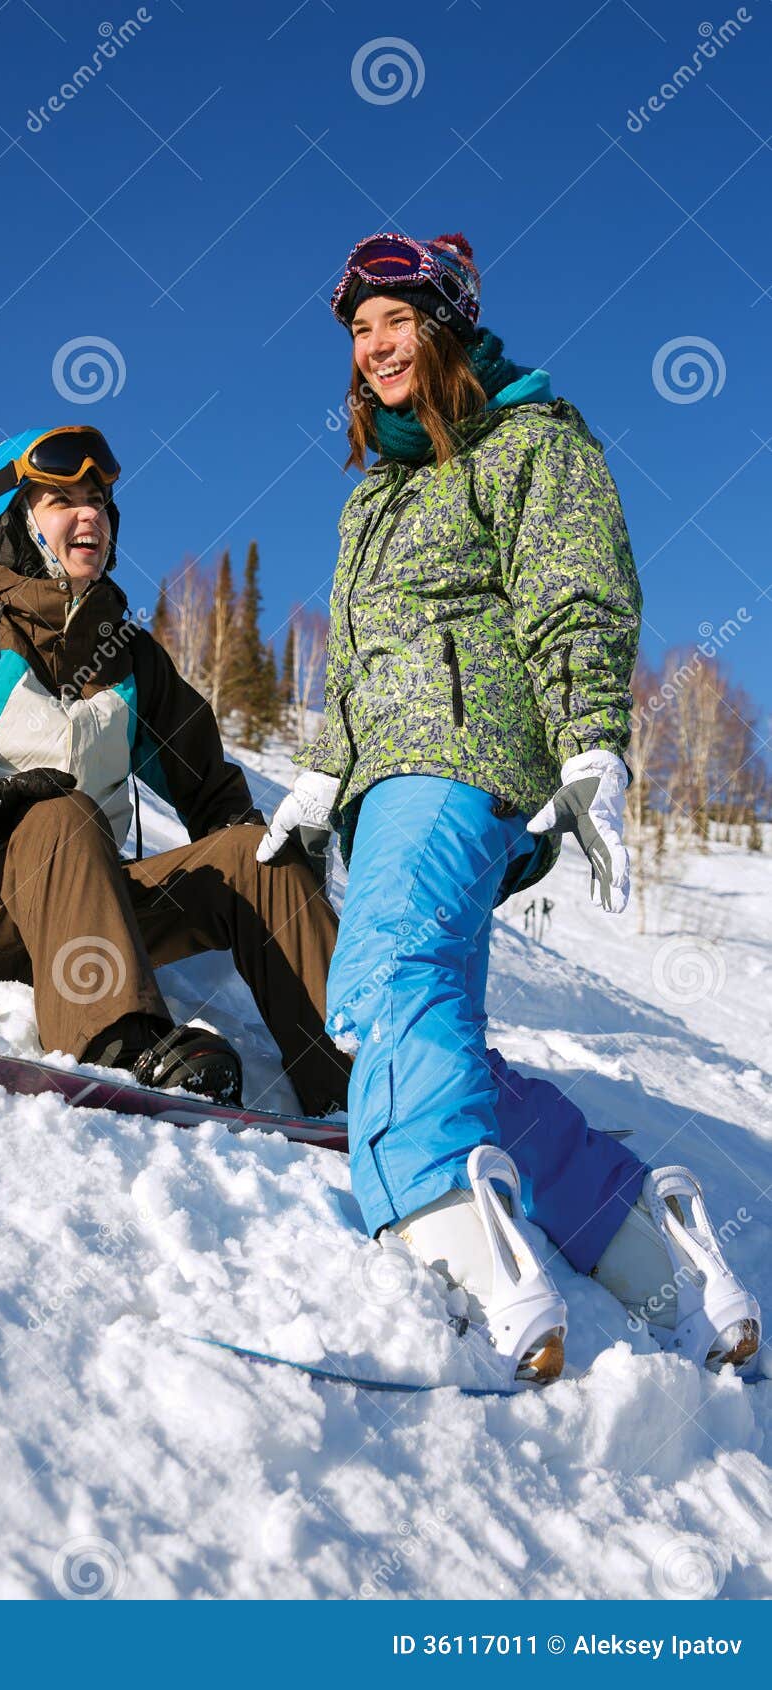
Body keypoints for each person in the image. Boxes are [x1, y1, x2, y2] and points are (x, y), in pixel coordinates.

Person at [258, 232, 760, 1384]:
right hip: (390, 772)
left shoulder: (527, 439)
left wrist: (588, 740)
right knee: (431, 1021)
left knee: (383, 985)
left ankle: (453, 1234)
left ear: (447, 324)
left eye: (396, 320)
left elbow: (572, 587)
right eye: (358, 331)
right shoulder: (371, 502)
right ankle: (654, 1252)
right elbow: (361, 668)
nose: (375, 347)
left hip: (462, 752)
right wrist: (323, 772)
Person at [0, 424, 351, 1116]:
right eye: (61, 500)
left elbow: (209, 789)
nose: (90, 516)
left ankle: (355, 1072)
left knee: (259, 854)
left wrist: (277, 882)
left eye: (98, 500)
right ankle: (115, 1041)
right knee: (56, 809)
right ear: (11, 522)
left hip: (84, 907)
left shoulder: (128, 657)